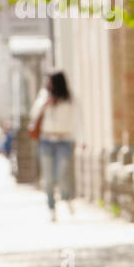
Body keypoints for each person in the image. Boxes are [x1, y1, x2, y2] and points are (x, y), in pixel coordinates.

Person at [30, 70, 76, 221]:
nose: (48, 84)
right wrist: (44, 104)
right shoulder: (44, 96)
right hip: (46, 140)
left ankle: (66, 197)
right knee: (48, 177)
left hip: (64, 139)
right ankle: (51, 207)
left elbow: (78, 119)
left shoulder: (69, 98)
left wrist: (82, 140)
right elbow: (33, 114)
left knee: (62, 173)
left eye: (50, 81)